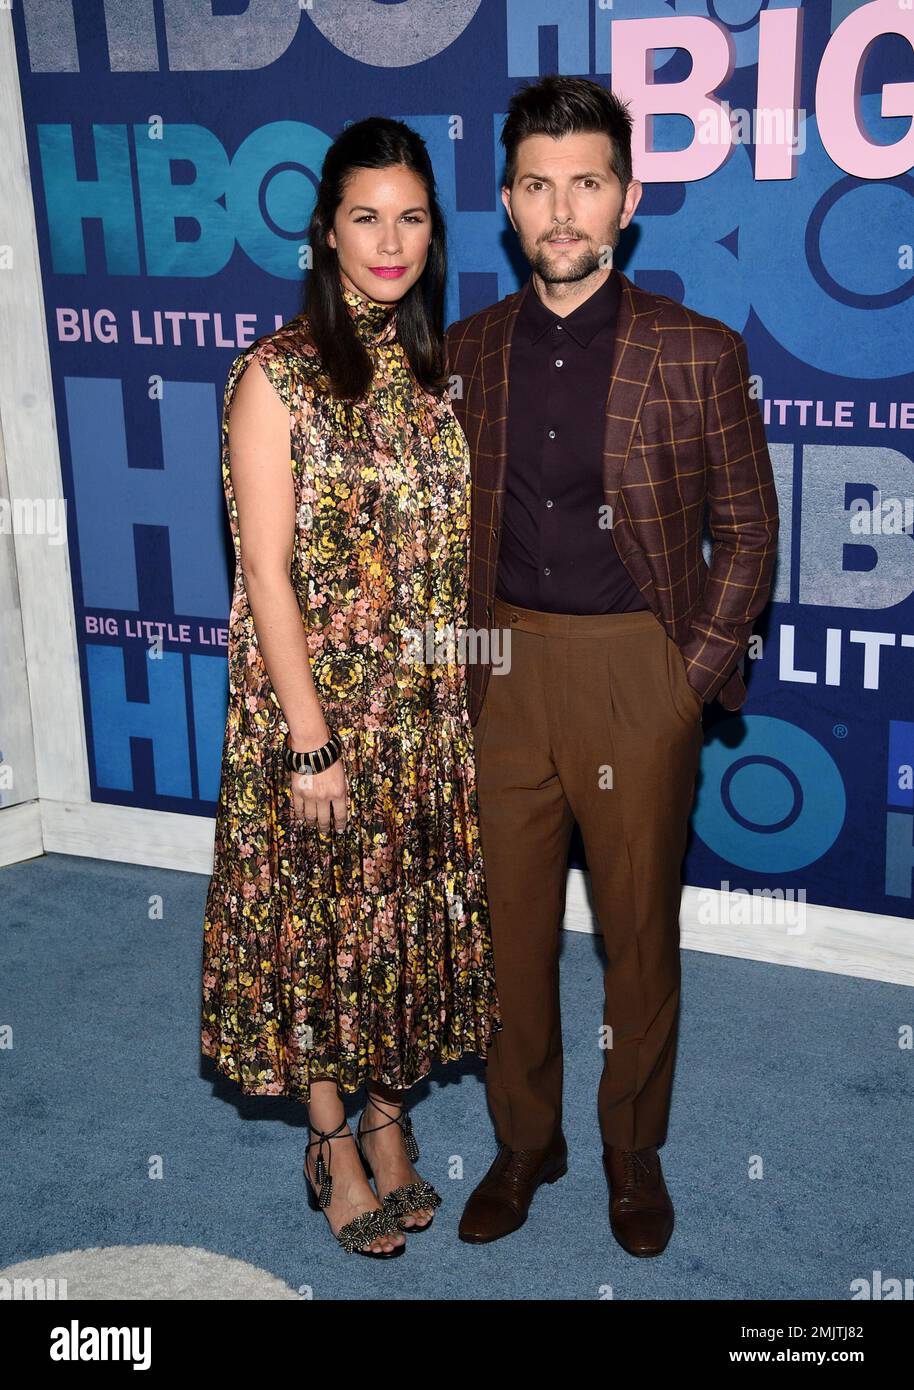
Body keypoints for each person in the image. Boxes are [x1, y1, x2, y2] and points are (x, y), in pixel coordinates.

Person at [446, 75, 779, 1256]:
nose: (562, 209)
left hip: (636, 668)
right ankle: (524, 1140)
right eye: (537, 185)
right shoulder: (464, 352)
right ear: (505, 202)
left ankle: (630, 1151)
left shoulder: (697, 353)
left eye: (585, 182)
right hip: (500, 670)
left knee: (637, 935)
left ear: (626, 200)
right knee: (507, 933)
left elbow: (746, 536)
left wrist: (680, 681)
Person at [201, 116, 501, 1258]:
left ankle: (390, 1121)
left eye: (411, 217)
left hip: (421, 718)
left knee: (395, 932)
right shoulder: (276, 377)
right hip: (315, 711)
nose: (389, 239)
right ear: (324, 233)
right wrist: (312, 740)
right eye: (365, 216)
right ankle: (329, 1142)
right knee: (320, 934)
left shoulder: (431, 376)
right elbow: (264, 572)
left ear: (434, 231)